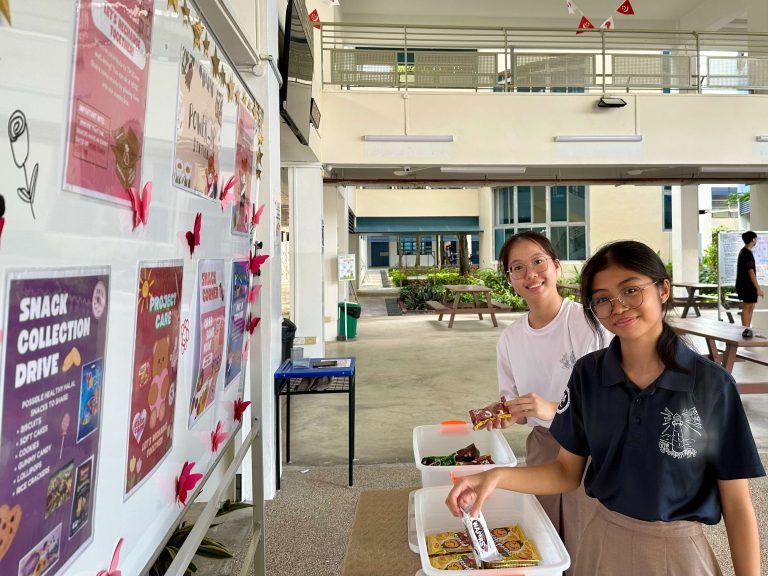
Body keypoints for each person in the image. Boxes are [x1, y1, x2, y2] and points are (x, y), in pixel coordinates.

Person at [448, 240, 765, 576]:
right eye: (602, 299)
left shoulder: (711, 385)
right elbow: (565, 473)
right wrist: (494, 477)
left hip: (677, 552)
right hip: (599, 544)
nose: (619, 307)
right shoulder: (588, 374)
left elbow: (737, 504)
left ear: (663, 290)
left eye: (631, 290)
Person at [482, 231, 609, 573]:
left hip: (590, 448)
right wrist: (506, 415)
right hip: (542, 445)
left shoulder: (587, 324)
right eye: (517, 268)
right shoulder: (510, 339)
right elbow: (516, 408)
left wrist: (552, 409)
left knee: (587, 536)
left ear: (556, 266)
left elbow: (609, 402)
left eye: (538, 262)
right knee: (545, 533)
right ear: (509, 278)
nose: (530, 274)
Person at [735, 231, 764, 327]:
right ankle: (745, 329)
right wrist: (758, 288)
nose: (756, 241)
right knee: (748, 306)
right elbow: (750, 271)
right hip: (746, 285)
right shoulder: (746, 253)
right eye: (756, 239)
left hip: (746, 284)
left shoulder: (744, 252)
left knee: (751, 306)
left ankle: (747, 328)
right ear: (752, 239)